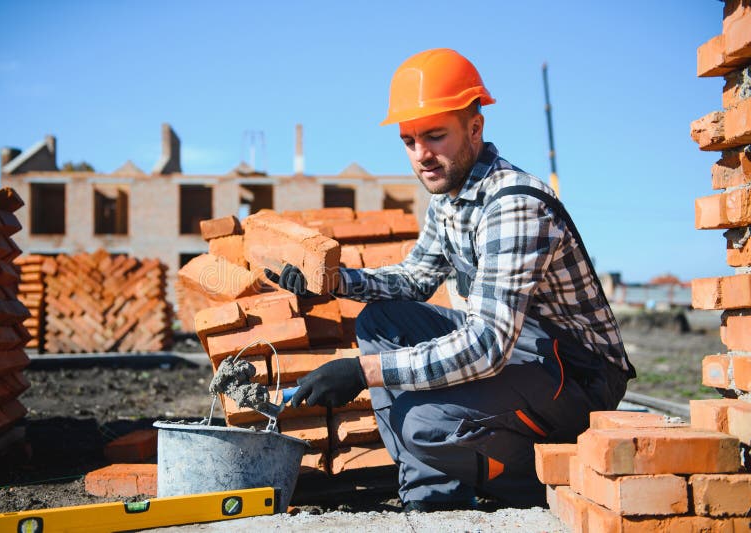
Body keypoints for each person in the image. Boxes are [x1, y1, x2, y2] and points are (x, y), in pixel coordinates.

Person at [268, 48, 635, 511]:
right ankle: (433, 495)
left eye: (435, 136)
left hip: (577, 376)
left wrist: (363, 372)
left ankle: (547, 479)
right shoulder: (450, 197)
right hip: (524, 351)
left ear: (475, 129)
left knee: (426, 424)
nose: (422, 155)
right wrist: (334, 282)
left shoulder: (514, 206)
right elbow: (415, 278)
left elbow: (486, 346)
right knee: (381, 322)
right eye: (408, 140)